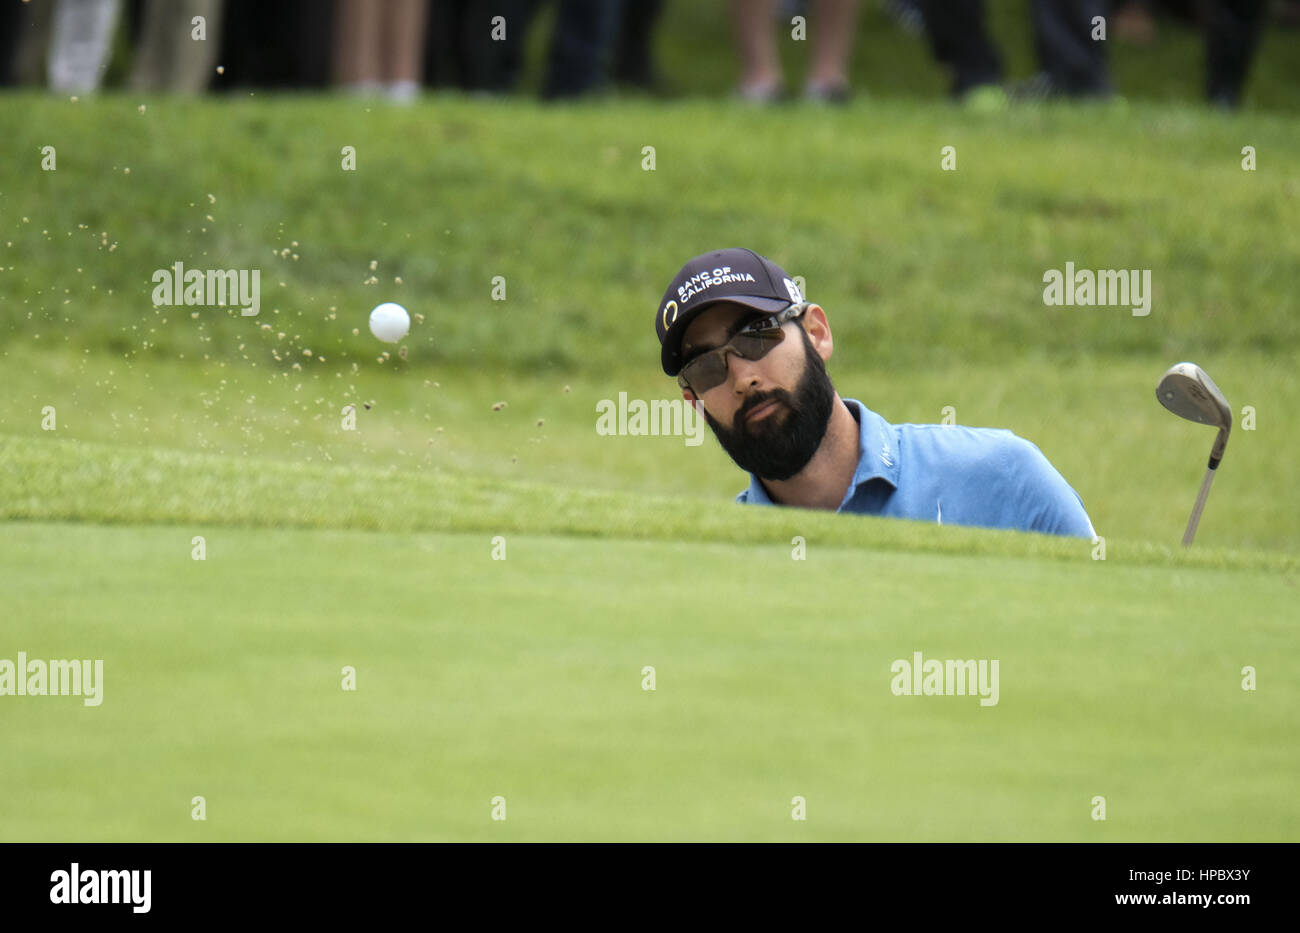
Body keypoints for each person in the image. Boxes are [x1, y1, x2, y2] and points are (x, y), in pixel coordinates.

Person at [655, 248, 1096, 538]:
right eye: (708, 366)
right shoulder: (723, 561)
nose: (743, 378)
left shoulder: (1002, 477)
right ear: (695, 402)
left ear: (816, 333)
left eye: (756, 336)